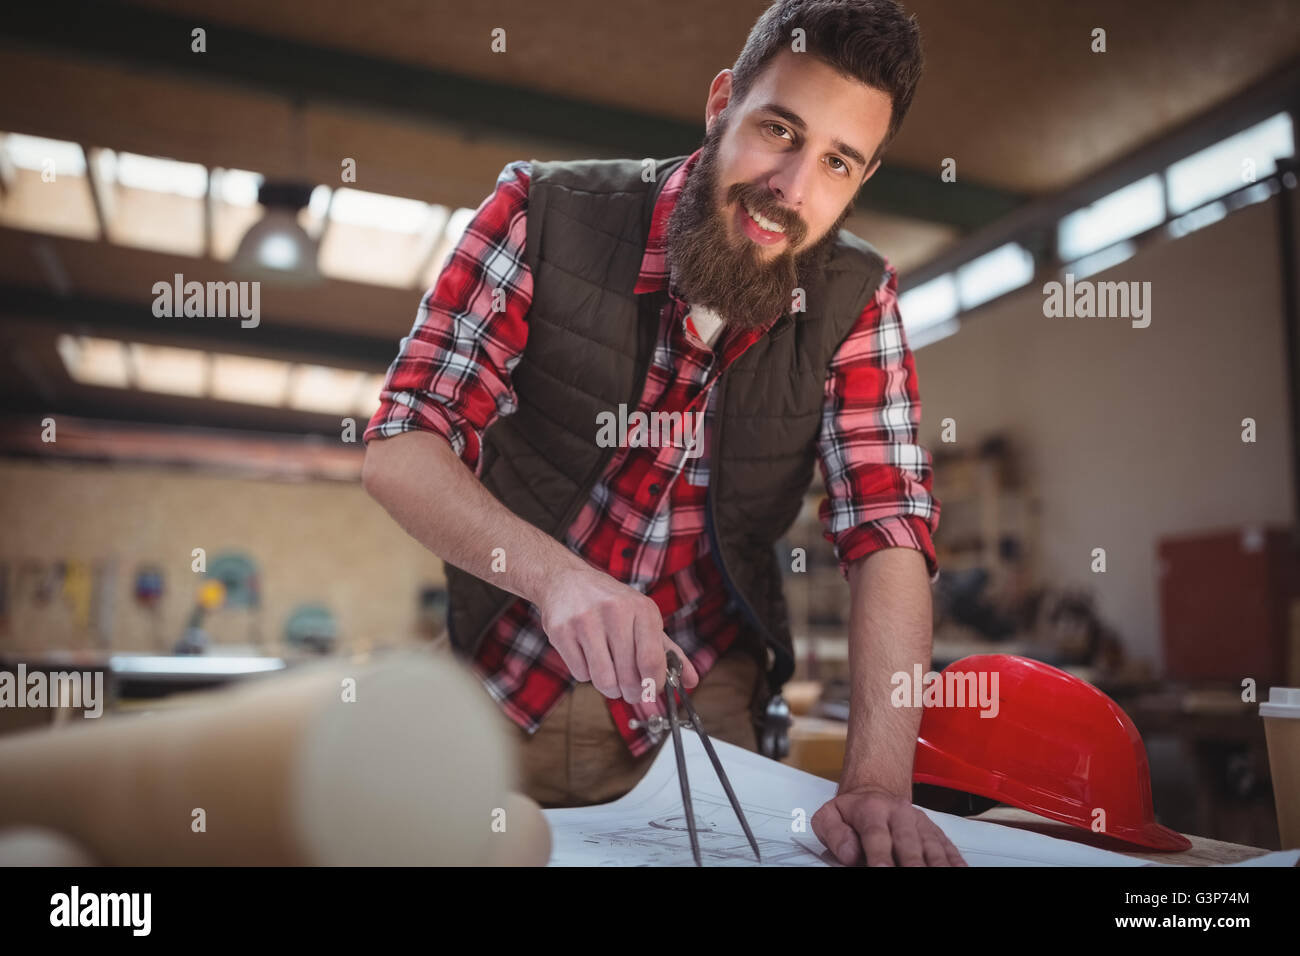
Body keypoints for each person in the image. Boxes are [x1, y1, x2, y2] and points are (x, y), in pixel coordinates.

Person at [362, 0, 964, 866]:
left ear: (862, 178)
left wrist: (876, 782)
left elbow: (889, 528)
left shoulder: (856, 297)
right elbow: (402, 443)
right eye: (779, 130)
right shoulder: (541, 212)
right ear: (723, 105)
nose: (792, 189)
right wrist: (560, 581)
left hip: (703, 710)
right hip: (496, 688)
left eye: (836, 162)